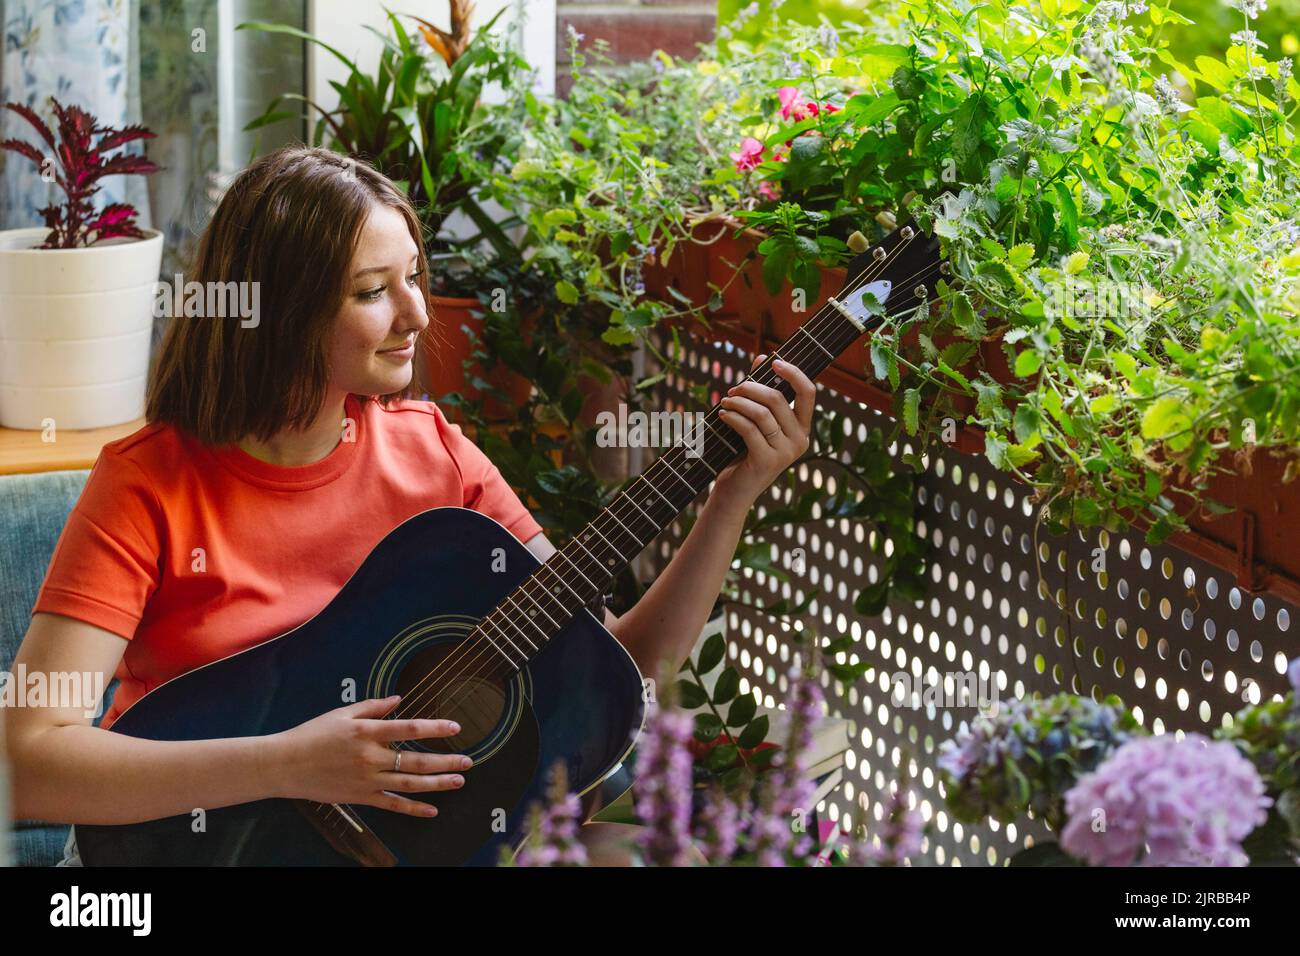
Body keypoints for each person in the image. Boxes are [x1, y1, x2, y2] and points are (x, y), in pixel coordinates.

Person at [5, 145, 816, 866]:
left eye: (415, 279)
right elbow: (28, 763)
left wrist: (729, 499)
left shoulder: (436, 455)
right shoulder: (146, 483)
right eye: (371, 292)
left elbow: (622, 664)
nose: (419, 316)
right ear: (281, 314)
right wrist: (289, 761)